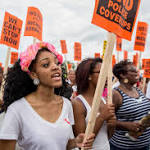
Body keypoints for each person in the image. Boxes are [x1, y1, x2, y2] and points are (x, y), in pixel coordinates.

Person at [0, 42, 94, 150]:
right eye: (46, 65)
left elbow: (62, 143)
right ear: (33, 74)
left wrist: (75, 142)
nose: (55, 67)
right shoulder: (16, 110)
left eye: (57, 63)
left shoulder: (67, 104)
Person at [72, 58, 116, 150]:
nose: (107, 76)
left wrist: (112, 124)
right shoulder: (78, 103)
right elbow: (83, 143)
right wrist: (102, 117)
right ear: (89, 76)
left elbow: (108, 136)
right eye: (102, 72)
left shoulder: (104, 100)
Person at [109, 60, 150, 150]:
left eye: (137, 70)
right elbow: (108, 121)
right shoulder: (116, 94)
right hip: (124, 146)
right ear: (122, 75)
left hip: (145, 144)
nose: (137, 73)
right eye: (133, 71)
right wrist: (125, 125)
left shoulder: (137, 90)